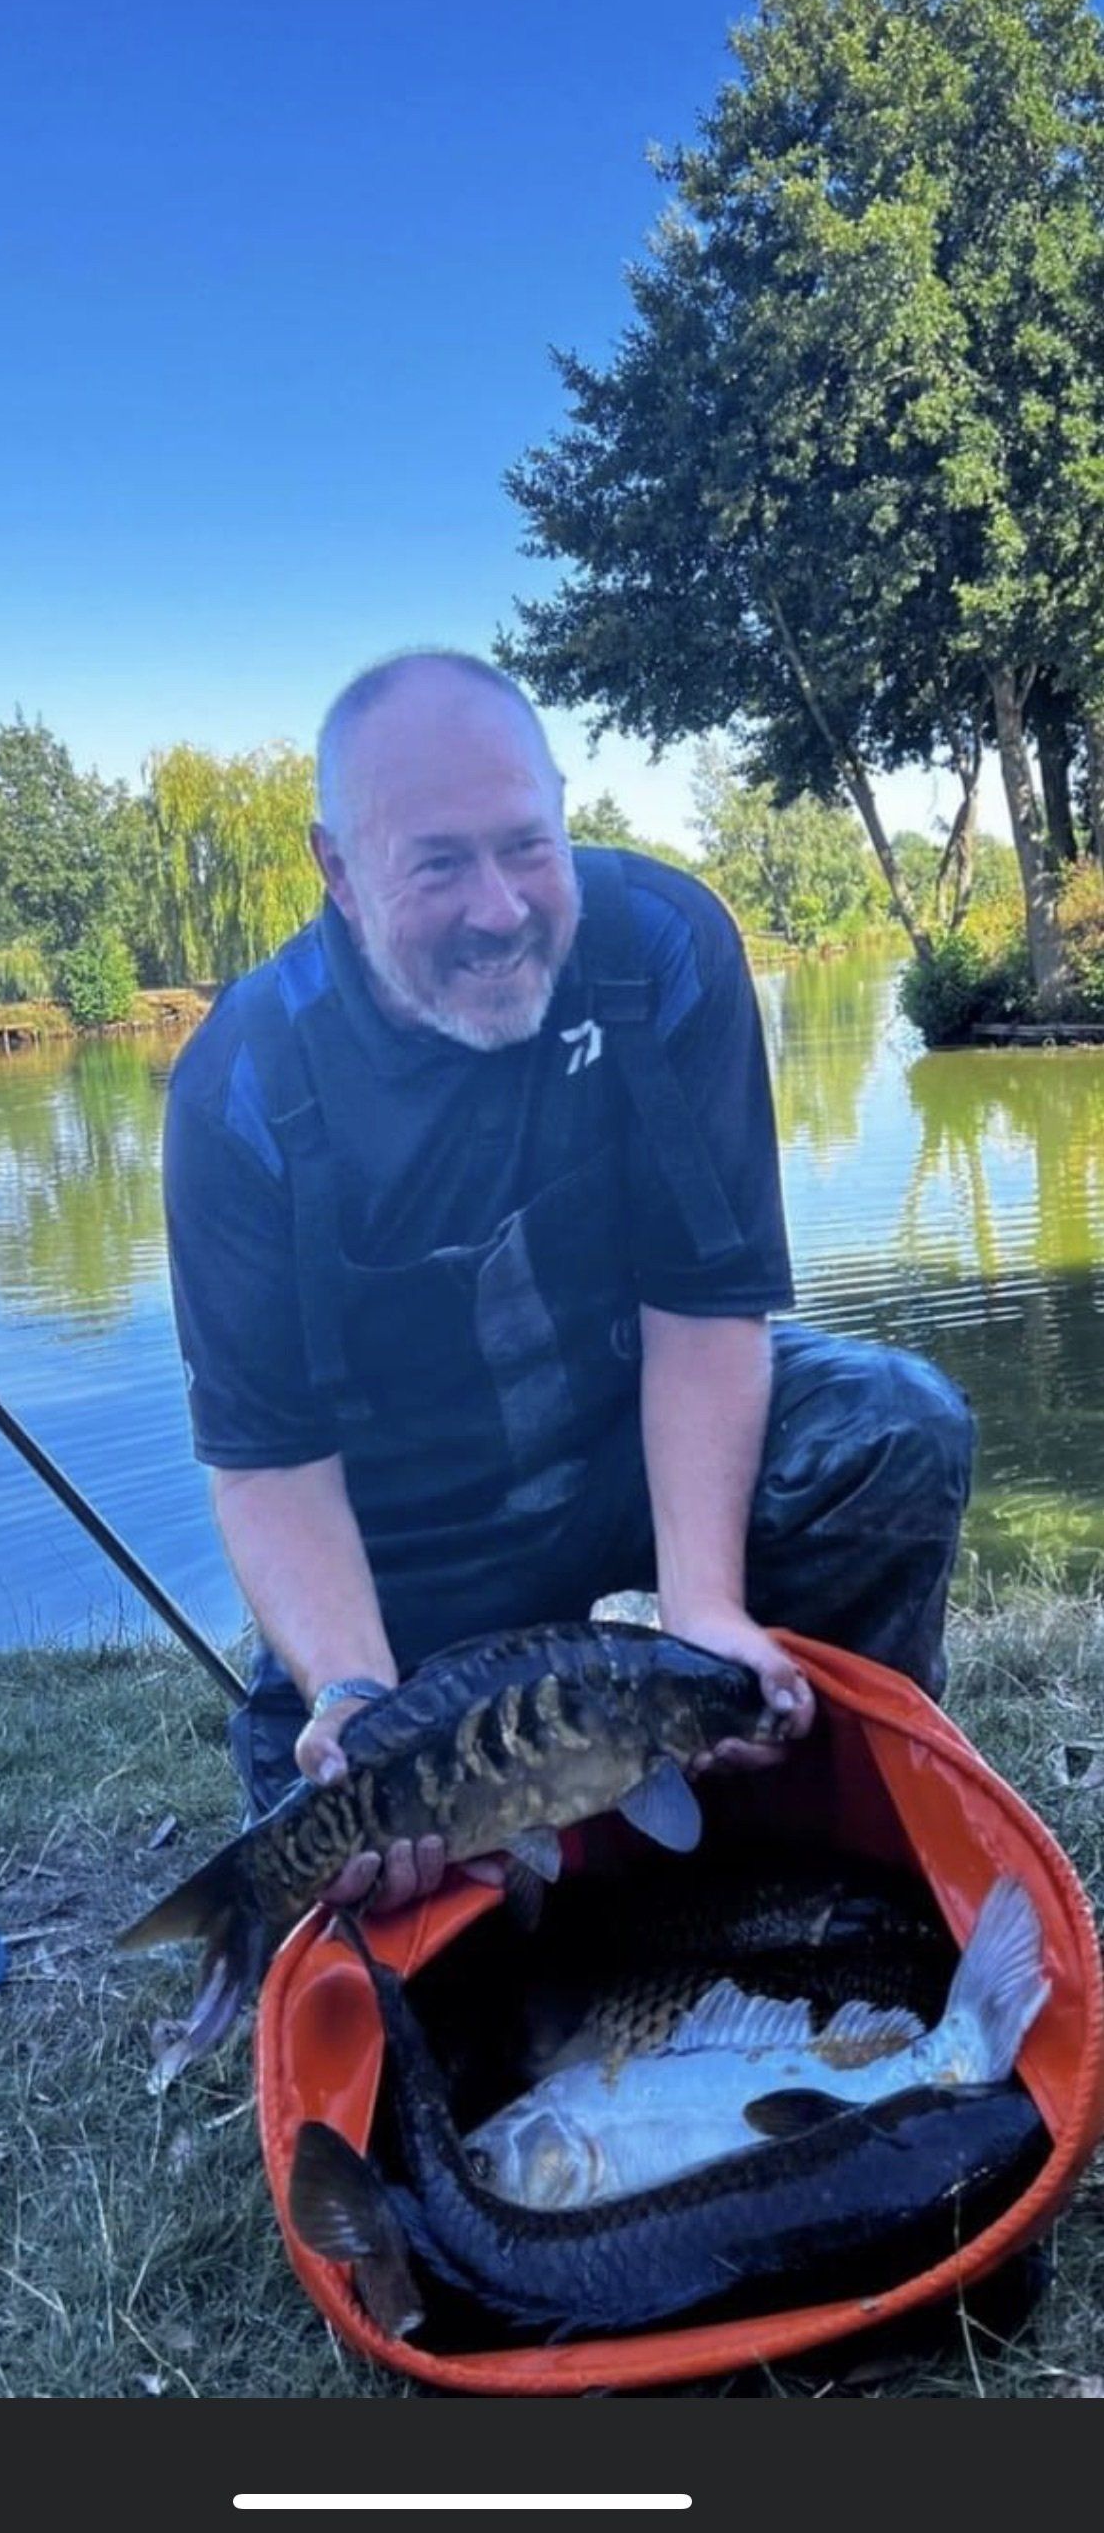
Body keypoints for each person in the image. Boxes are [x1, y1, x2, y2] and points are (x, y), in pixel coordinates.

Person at [162, 650, 975, 1914]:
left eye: (524, 845)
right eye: (437, 864)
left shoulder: (664, 952)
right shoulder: (244, 1086)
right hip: (411, 1545)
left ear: (560, 804)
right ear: (336, 867)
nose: (499, 908)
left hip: (621, 1447)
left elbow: (706, 1305)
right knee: (335, 1905)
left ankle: (795, 1829)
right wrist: (358, 1697)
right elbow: (266, 1459)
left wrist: (701, 1605)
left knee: (894, 1431)